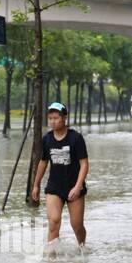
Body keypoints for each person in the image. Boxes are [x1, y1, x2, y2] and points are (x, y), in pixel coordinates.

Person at [30, 101, 88, 251]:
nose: (53, 121)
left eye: (56, 118)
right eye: (50, 118)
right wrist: (36, 185)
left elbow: (84, 165)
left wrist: (78, 186)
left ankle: (82, 248)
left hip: (74, 187)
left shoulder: (76, 138)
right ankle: (52, 260)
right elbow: (43, 163)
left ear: (64, 118)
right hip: (54, 187)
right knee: (54, 221)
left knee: (77, 225)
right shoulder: (47, 139)